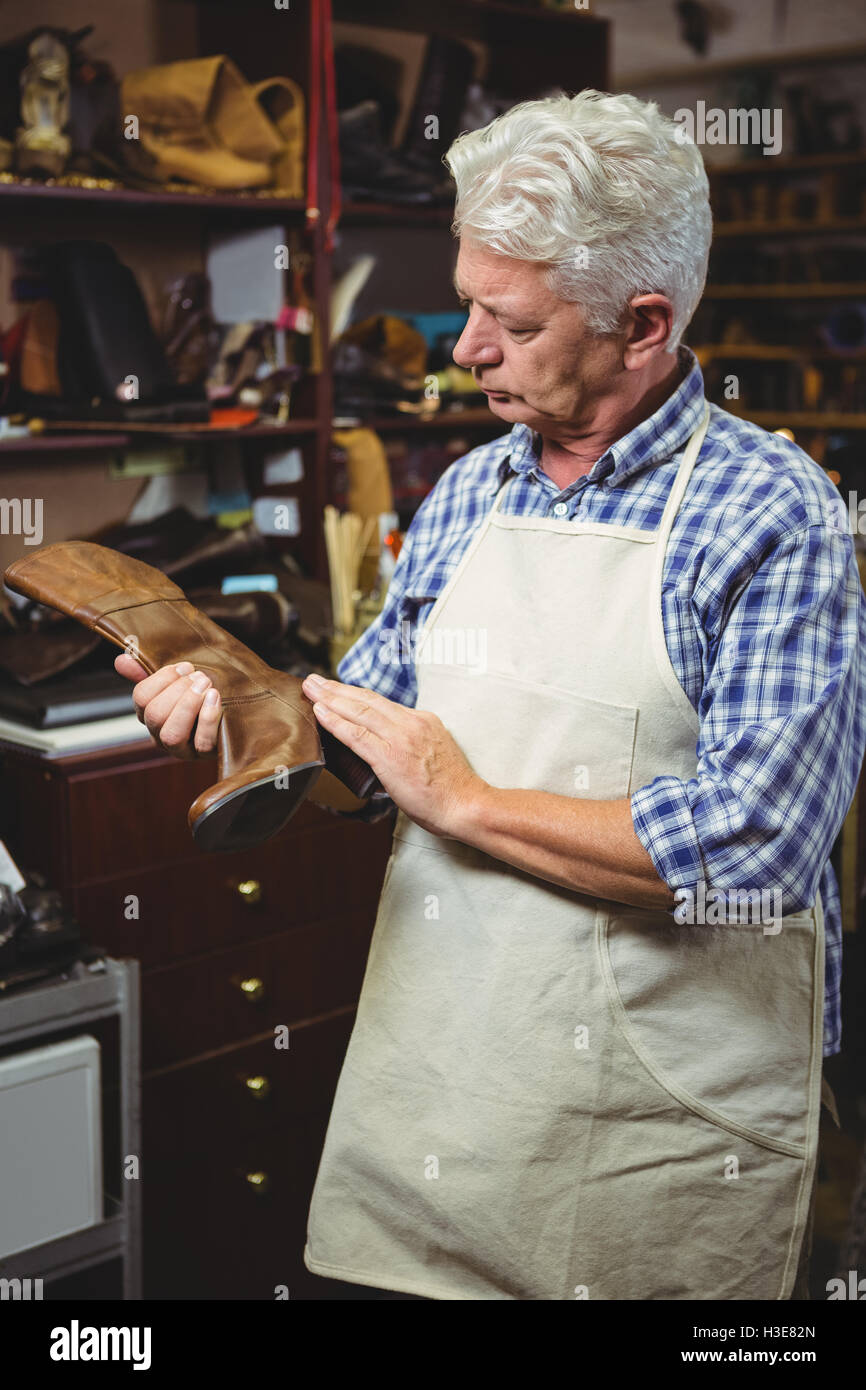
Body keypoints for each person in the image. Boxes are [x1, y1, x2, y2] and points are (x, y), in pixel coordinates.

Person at [117, 90, 865, 1301]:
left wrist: (464, 802)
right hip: (441, 1110)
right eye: (468, 304)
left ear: (640, 324)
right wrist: (238, 701)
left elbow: (754, 850)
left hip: (659, 1144)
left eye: (502, 321)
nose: (463, 348)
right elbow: (366, 744)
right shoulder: (472, 491)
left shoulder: (772, 514)